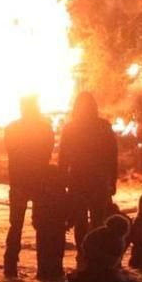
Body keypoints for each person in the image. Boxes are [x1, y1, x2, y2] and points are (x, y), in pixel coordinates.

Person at [3, 95, 56, 277]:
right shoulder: (44, 128)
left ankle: (10, 264)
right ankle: (44, 267)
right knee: (42, 223)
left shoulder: (12, 128)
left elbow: (10, 150)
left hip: (18, 180)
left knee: (16, 224)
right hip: (39, 181)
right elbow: (48, 151)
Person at [58, 92, 118, 249]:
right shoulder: (103, 127)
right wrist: (112, 180)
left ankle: (82, 252)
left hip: (78, 179)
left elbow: (63, 157)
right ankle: (95, 255)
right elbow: (112, 155)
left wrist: (61, 181)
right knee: (98, 220)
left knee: (80, 220)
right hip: (99, 180)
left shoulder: (71, 128)